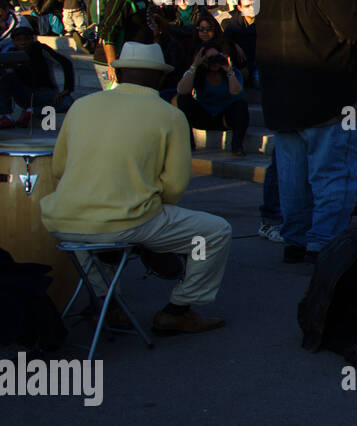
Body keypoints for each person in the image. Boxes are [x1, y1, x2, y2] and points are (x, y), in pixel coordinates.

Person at [40, 42, 230, 335]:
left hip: (63, 221)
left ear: (118, 74)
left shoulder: (81, 106)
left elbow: (58, 170)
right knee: (215, 232)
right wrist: (153, 208)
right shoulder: (169, 115)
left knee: (85, 232)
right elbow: (176, 186)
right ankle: (178, 309)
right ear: (160, 79)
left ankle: (106, 301)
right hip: (127, 222)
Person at [258, 0, 357, 263]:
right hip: (331, 98)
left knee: (293, 177)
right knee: (335, 174)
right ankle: (323, 243)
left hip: (284, 99)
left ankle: (296, 239)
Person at [174, 35, 250, 157]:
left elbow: (237, 93)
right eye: (210, 58)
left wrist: (228, 71)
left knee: (241, 105)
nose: (214, 62)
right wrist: (194, 66)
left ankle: (237, 146)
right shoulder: (198, 73)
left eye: (216, 57)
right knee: (182, 99)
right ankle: (189, 143)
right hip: (203, 116)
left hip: (224, 118)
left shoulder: (232, 72)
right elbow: (182, 90)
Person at [93, 0, 163, 91]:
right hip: (117, 61)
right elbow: (108, 30)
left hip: (133, 59)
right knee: (117, 104)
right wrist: (112, 64)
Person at [0, 23, 75, 128]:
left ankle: (32, 111)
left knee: (68, 102)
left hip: (44, 92)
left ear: (32, 39)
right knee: (5, 79)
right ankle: (7, 116)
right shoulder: (11, 53)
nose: (23, 42)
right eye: (19, 40)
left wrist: (67, 89)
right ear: (13, 41)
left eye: (26, 39)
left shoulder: (41, 49)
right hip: (24, 94)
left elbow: (66, 63)